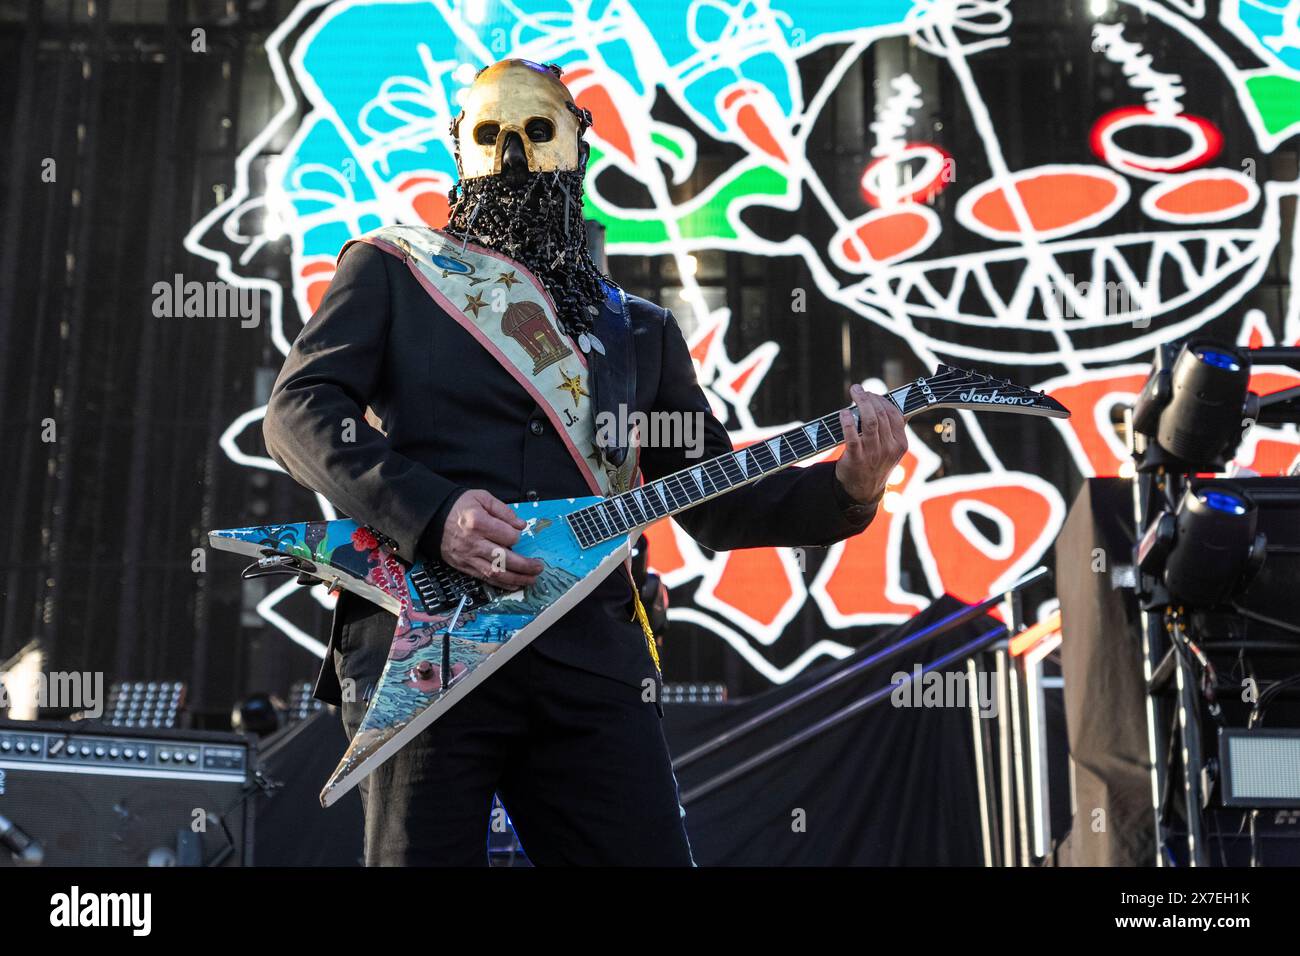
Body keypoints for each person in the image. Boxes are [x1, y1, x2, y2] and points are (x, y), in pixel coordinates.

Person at [262, 58, 907, 866]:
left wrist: (850, 488)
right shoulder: (395, 271)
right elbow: (297, 412)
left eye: (537, 132)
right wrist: (434, 513)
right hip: (427, 643)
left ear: (579, 147)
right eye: (489, 136)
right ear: (458, 148)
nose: (513, 156)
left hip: (590, 659)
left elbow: (708, 498)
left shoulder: (638, 330)